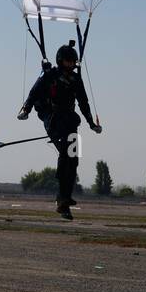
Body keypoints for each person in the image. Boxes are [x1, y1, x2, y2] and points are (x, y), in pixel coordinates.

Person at [17, 41, 101, 220]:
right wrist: (26, 110)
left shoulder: (76, 79)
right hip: (52, 119)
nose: (70, 65)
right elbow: (33, 93)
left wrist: (91, 123)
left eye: (72, 62)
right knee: (65, 154)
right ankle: (62, 198)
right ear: (61, 61)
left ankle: (64, 200)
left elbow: (83, 103)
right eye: (67, 62)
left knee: (73, 159)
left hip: (69, 120)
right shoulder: (50, 75)